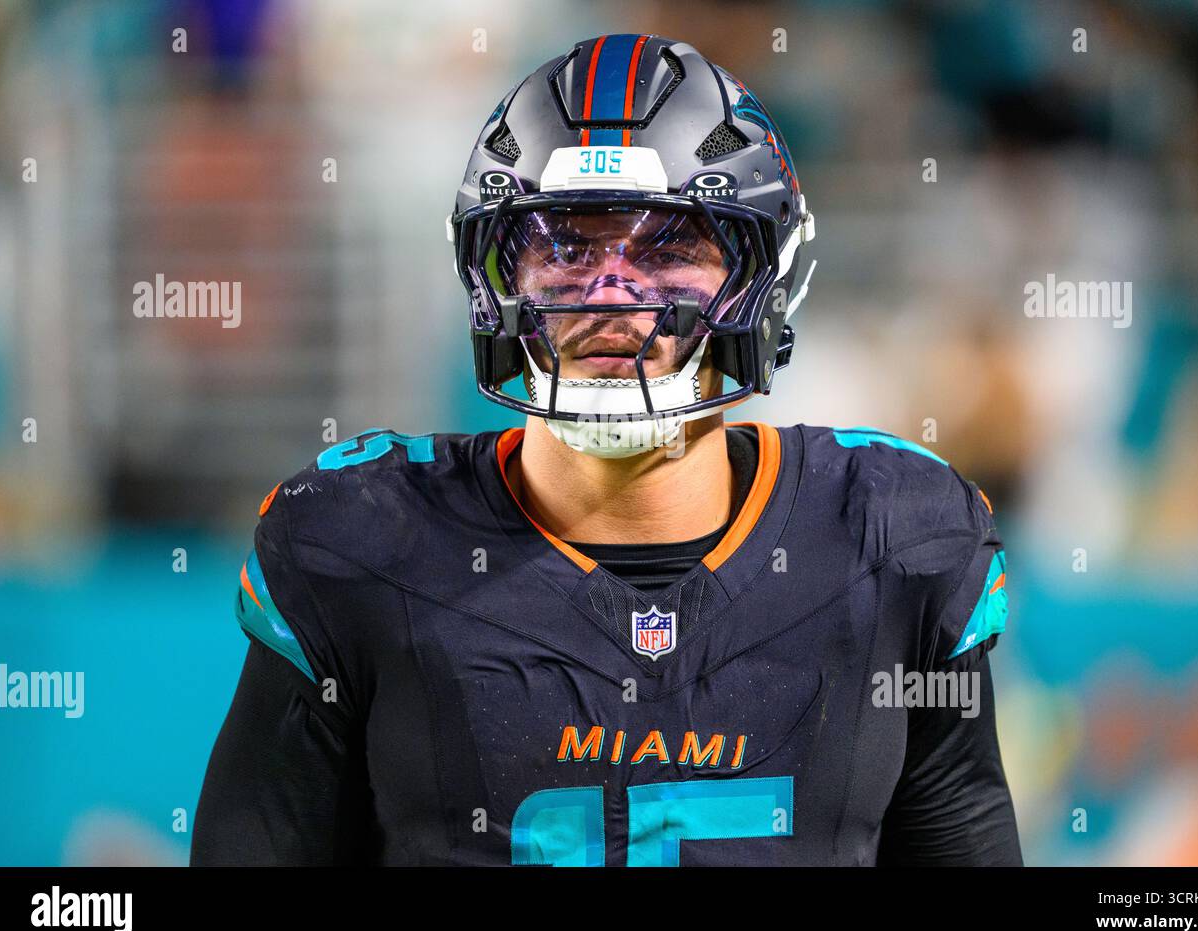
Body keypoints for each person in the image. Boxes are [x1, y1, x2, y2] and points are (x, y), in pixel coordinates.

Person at [192, 34, 1021, 866]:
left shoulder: (896, 541)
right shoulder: (358, 543)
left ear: (765, 278)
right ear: (495, 273)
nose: (612, 292)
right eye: (565, 246)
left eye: (669, 250)